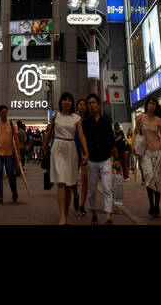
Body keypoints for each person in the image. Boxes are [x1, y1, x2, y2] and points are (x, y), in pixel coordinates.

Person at [44, 92, 84, 224]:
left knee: (68, 185)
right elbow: (50, 132)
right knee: (61, 183)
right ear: (60, 102)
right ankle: (62, 217)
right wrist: (45, 146)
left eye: (69, 100)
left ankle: (65, 215)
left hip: (71, 149)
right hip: (57, 148)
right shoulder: (55, 116)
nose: (67, 102)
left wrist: (86, 152)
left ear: (72, 103)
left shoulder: (76, 118)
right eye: (64, 100)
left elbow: (81, 136)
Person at [80, 93, 118, 224]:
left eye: (93, 103)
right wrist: (83, 155)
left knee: (107, 188)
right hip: (91, 160)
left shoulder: (106, 122)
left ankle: (108, 217)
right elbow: (82, 141)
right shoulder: (85, 123)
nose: (91, 105)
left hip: (105, 159)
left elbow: (112, 141)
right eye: (89, 103)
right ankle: (94, 214)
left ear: (99, 105)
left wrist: (116, 158)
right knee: (92, 190)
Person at [135, 97, 161, 218]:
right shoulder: (140, 118)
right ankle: (151, 204)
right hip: (145, 152)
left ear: (156, 106)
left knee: (157, 180)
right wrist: (133, 145)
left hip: (158, 152)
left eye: (154, 104)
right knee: (149, 176)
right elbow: (135, 132)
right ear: (146, 105)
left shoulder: (159, 120)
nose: (152, 106)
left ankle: (157, 206)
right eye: (150, 103)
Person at [0, 105, 22, 204]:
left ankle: (14, 193)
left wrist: (18, 154)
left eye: (5, 112)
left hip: (10, 154)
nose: (4, 114)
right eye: (2, 112)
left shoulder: (12, 124)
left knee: (11, 175)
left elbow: (16, 140)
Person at [74, 97, 89, 215]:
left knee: (85, 180)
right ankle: (75, 194)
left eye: (84, 104)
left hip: (85, 152)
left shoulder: (89, 120)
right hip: (73, 150)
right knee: (72, 180)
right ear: (77, 106)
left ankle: (82, 205)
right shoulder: (73, 119)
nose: (82, 106)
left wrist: (86, 152)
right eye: (80, 104)